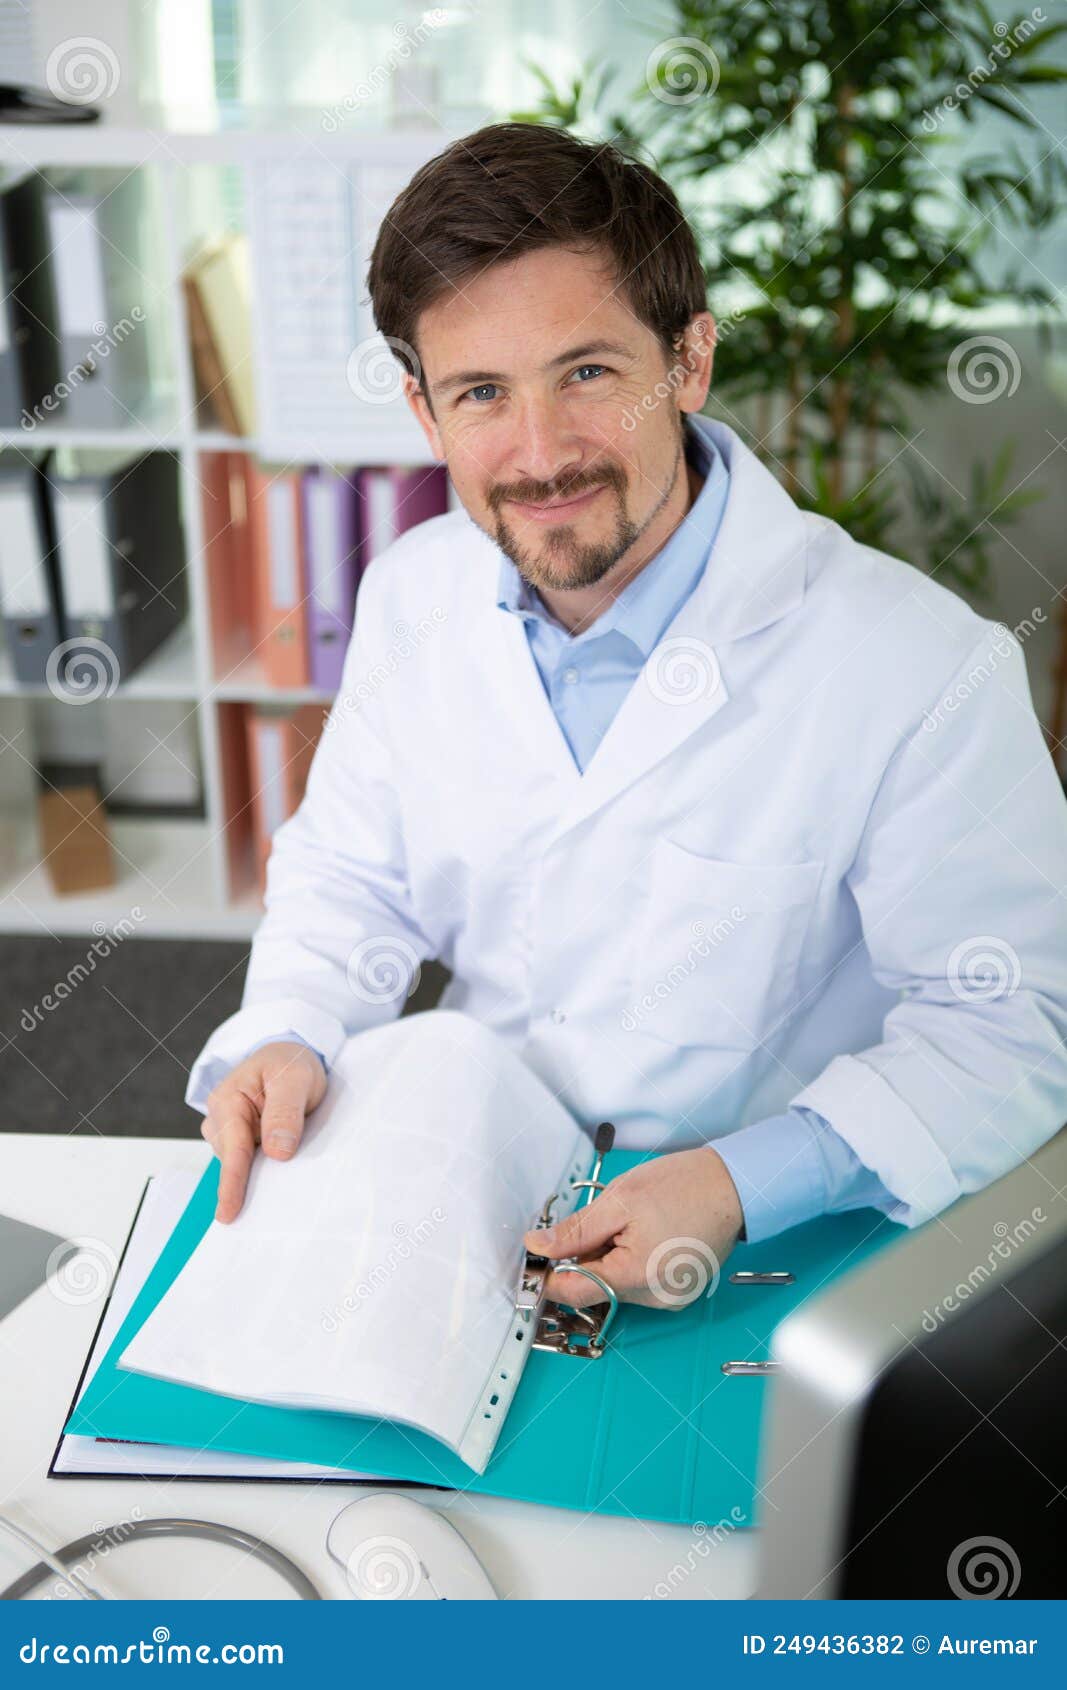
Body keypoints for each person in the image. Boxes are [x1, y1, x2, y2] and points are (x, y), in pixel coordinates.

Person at [186, 122, 1067, 1311]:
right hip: (476, 1190)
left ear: (688, 360)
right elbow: (350, 877)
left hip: (772, 1240)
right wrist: (290, 1029)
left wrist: (739, 1183)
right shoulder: (410, 595)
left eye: (588, 374)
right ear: (424, 414)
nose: (540, 453)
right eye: (481, 393)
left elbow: (1011, 1023)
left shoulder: (920, 668)